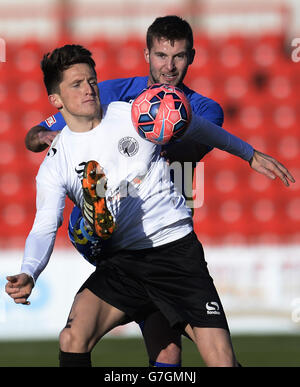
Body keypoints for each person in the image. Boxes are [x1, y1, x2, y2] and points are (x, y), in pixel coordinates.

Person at [21, 16, 294, 367]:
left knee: (194, 357)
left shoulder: (168, 110)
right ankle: (94, 218)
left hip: (170, 242)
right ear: (146, 54)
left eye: (178, 56)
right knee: (76, 336)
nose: (169, 65)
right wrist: (55, 137)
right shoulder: (104, 99)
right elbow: (34, 141)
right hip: (118, 250)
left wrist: (249, 153)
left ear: (191, 57)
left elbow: (187, 143)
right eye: (161, 55)